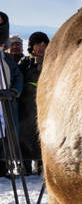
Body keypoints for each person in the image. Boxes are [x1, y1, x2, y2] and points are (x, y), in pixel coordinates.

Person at [18, 32, 47, 173]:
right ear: (32, 47)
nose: (41, 48)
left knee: (42, 135)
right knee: (26, 135)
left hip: (44, 105)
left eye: (44, 45)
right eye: (38, 45)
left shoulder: (51, 62)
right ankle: (26, 165)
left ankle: (42, 165)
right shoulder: (25, 62)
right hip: (26, 105)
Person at [0, 13, 24, 179]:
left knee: (6, 136)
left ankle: (4, 167)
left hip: (5, 103)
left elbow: (18, 77)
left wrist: (14, 91)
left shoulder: (7, 59)